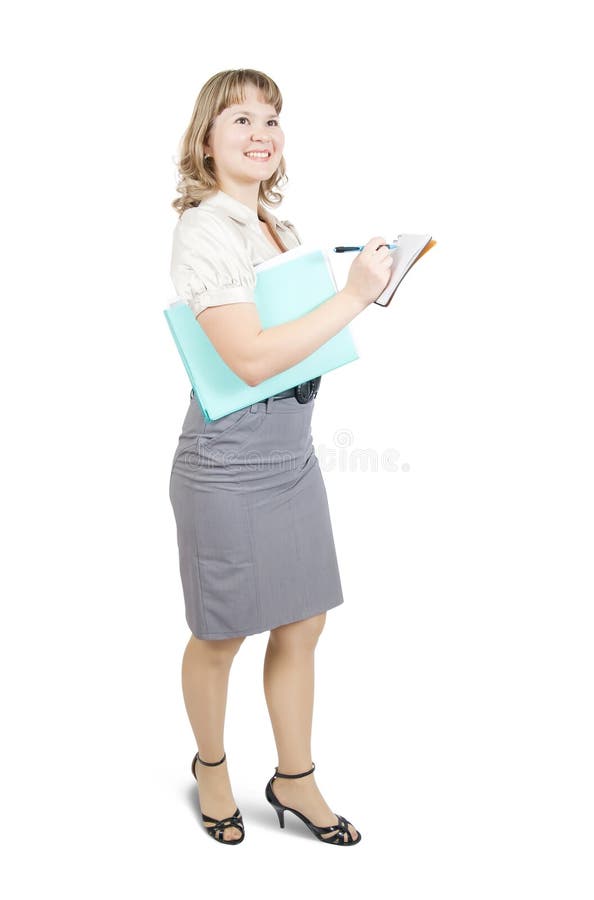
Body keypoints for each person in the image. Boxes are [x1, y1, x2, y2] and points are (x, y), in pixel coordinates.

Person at [168, 68, 392, 846]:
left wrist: (370, 285)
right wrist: (355, 295)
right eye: (240, 120)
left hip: (289, 453)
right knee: (223, 631)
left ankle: (293, 777)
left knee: (302, 622)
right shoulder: (204, 228)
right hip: (227, 460)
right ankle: (212, 765)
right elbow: (250, 360)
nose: (261, 133)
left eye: (272, 118)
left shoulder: (281, 231)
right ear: (206, 140)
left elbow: (301, 341)